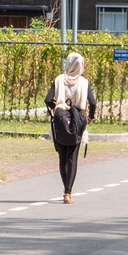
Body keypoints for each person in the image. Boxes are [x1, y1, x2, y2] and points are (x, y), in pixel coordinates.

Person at [45, 52, 97, 204]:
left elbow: (48, 99)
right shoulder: (84, 82)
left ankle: (65, 188)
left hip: (61, 120)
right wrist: (90, 117)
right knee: (72, 157)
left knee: (62, 157)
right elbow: (92, 103)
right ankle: (68, 192)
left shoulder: (59, 80)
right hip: (78, 121)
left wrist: (57, 108)